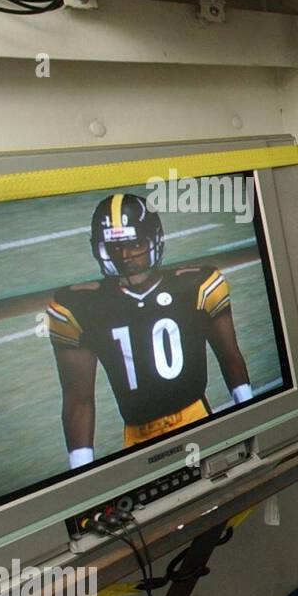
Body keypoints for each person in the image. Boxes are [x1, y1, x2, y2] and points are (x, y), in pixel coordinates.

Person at [47, 192, 253, 466]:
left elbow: (231, 361)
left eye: (134, 243)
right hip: (136, 440)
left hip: (197, 419)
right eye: (115, 246)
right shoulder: (81, 308)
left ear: (153, 239)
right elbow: (78, 400)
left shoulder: (196, 287)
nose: (125, 255)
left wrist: (252, 423)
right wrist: (82, 477)